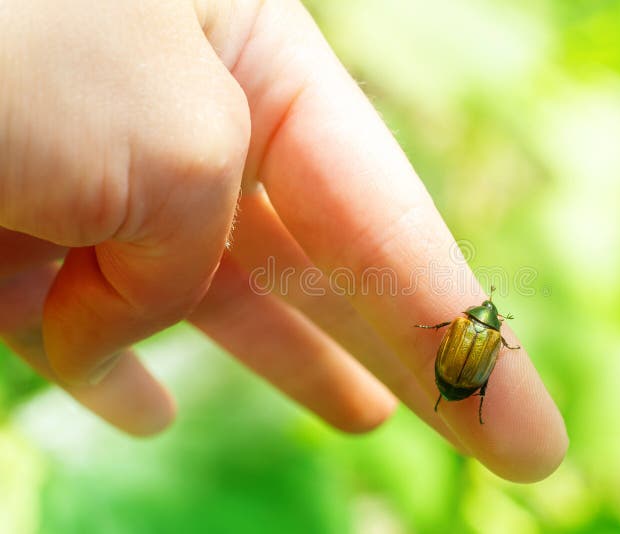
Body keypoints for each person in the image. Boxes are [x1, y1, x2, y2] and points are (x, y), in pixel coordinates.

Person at [0, 0, 566, 483]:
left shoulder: (468, 326)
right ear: (491, 321)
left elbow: (447, 340)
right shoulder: (482, 334)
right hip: (460, 378)